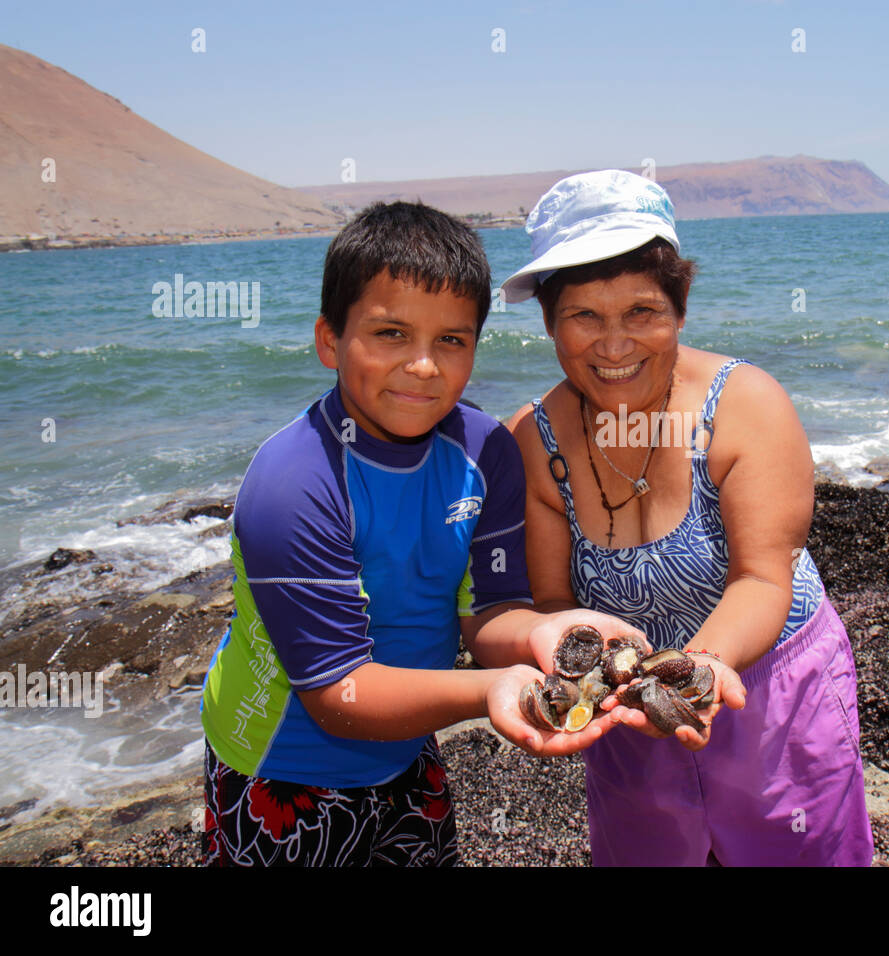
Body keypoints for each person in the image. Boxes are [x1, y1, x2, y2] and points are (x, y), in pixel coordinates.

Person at [199, 200, 637, 867]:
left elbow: (488, 612)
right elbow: (337, 695)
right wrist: (491, 692)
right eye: (391, 334)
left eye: (451, 340)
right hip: (281, 769)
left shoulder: (485, 451)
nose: (425, 366)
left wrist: (542, 634)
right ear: (329, 341)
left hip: (410, 742)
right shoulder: (295, 483)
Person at [503, 170, 874, 866]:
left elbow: (763, 579)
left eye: (642, 312)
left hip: (772, 698)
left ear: (679, 310)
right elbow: (551, 601)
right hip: (629, 718)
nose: (614, 345)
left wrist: (694, 675)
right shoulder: (533, 440)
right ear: (550, 322)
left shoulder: (746, 405)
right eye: (584, 316)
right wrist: (596, 681)